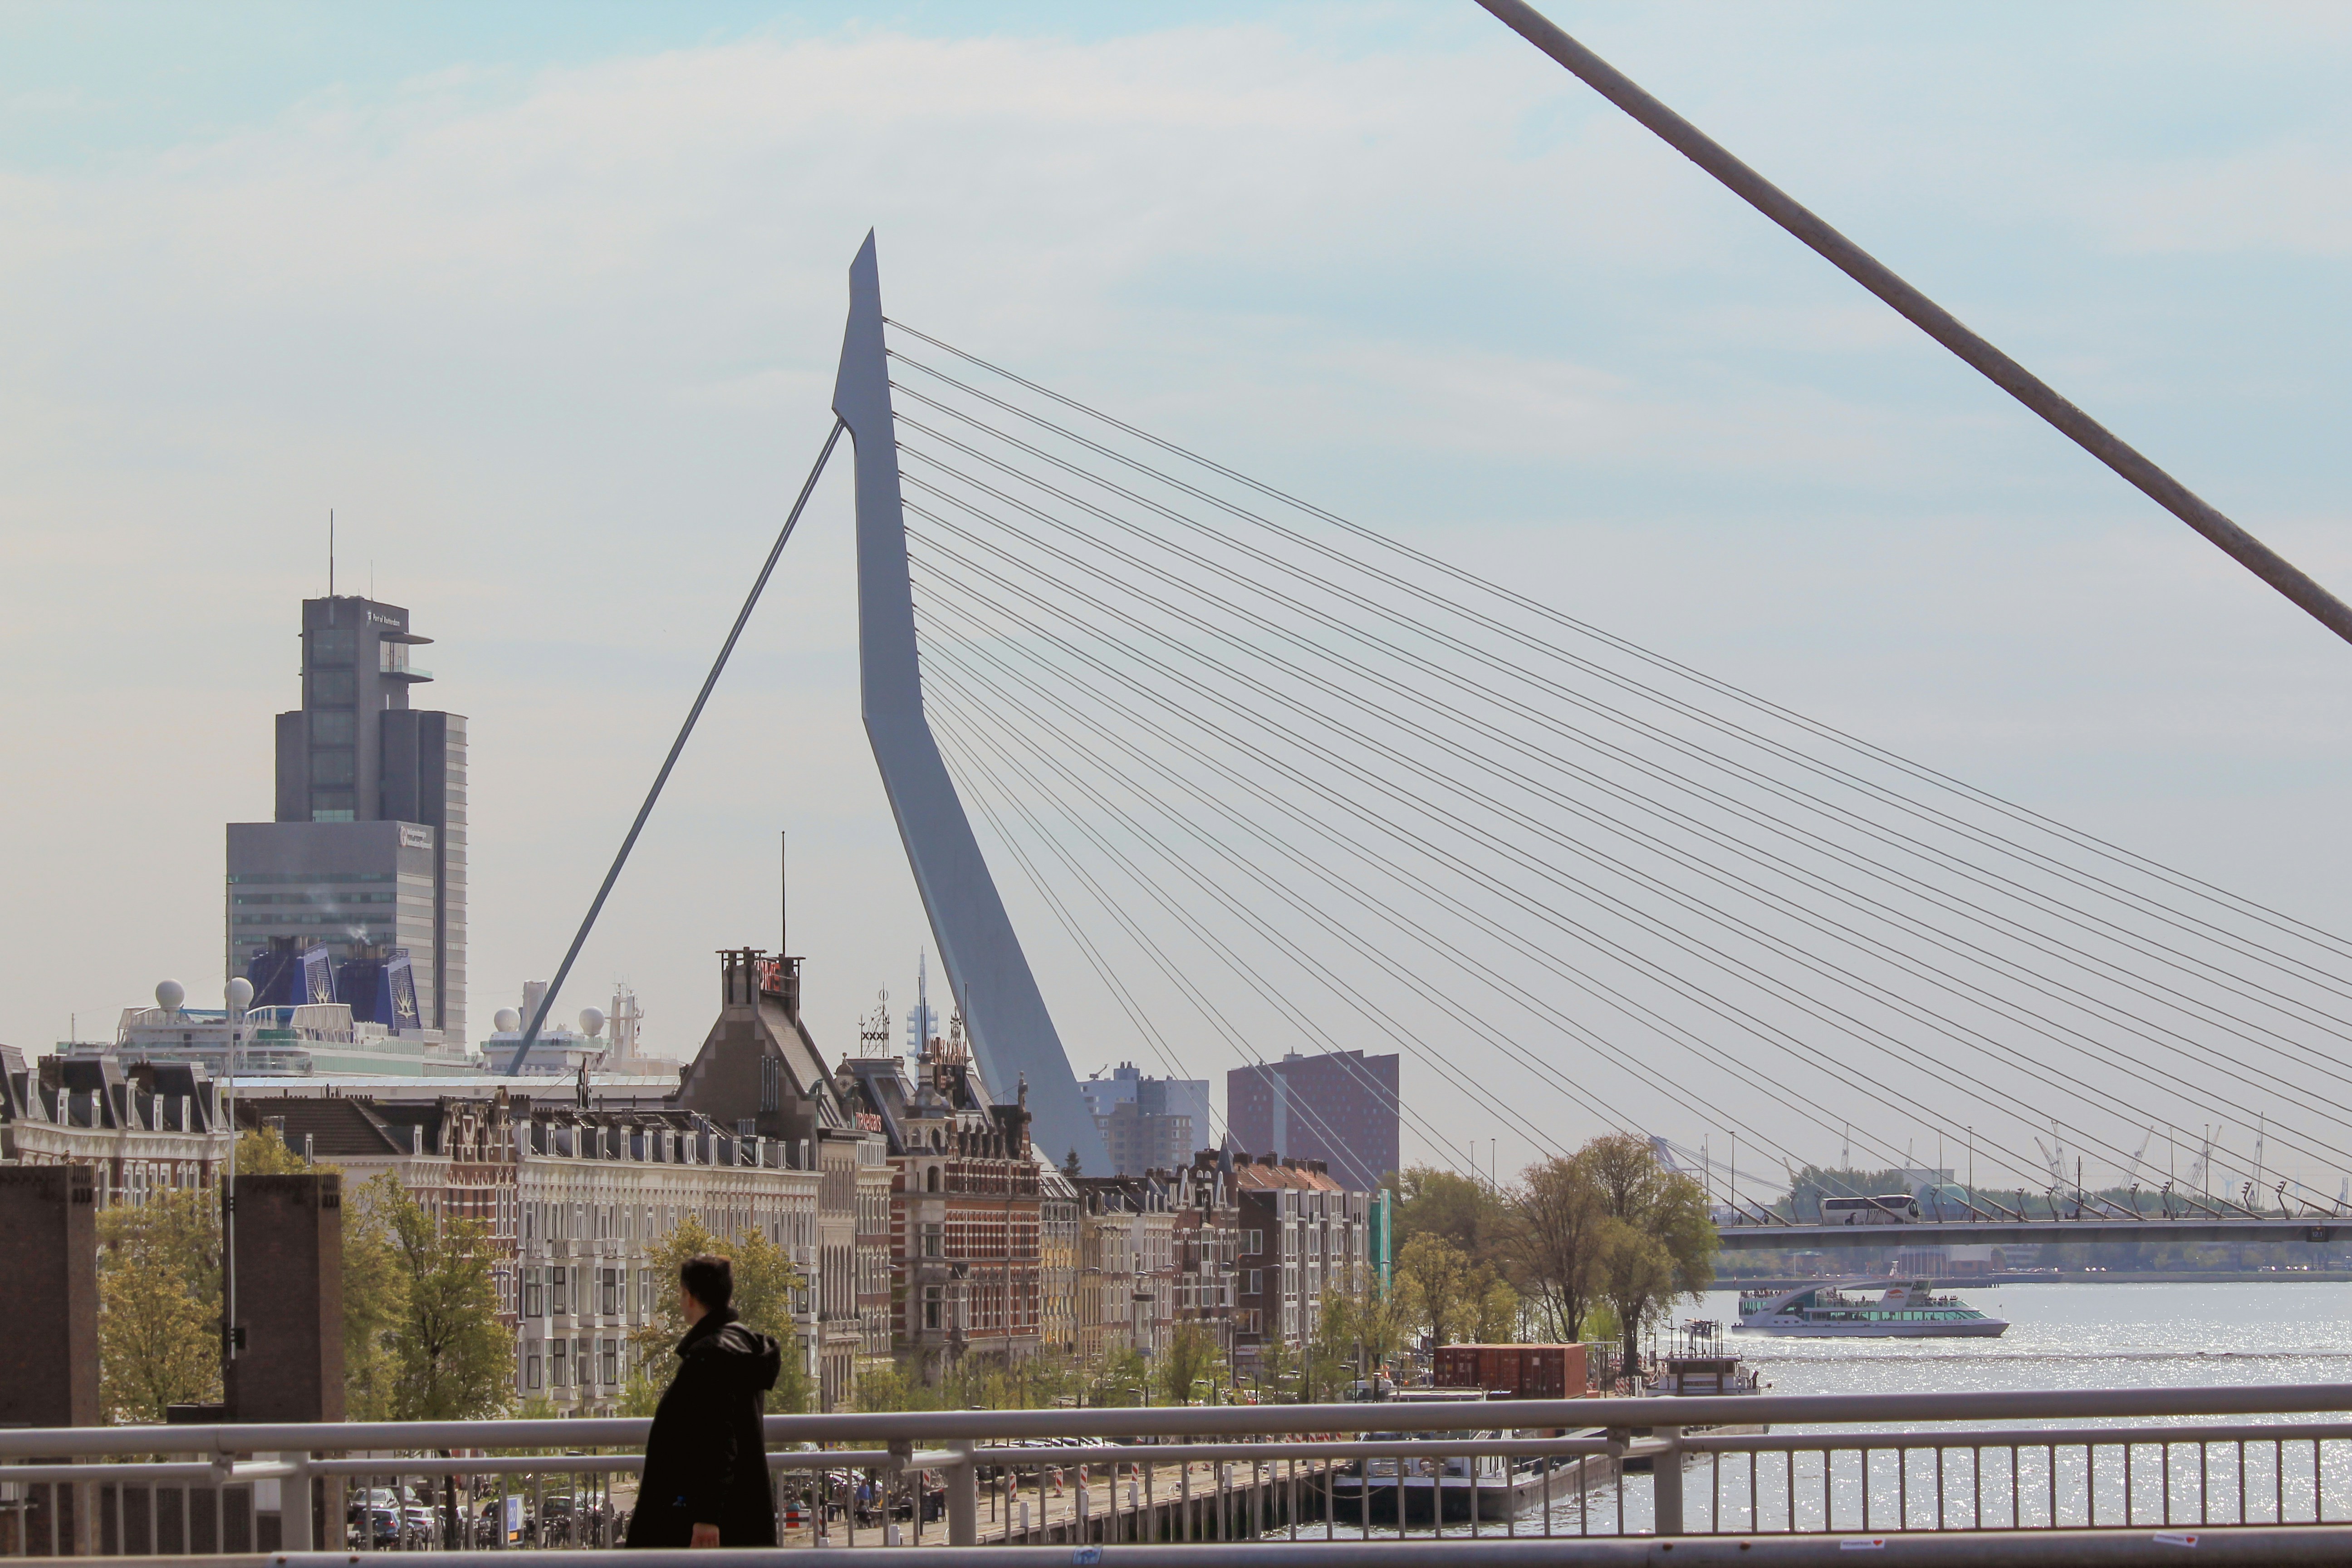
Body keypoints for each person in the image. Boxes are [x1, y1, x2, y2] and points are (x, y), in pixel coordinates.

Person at [625, 1254, 782, 1548]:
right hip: (744, 1512)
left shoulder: (708, 1357)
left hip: (702, 1518)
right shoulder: (744, 1344)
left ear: (689, 1296)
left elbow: (718, 1440)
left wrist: (707, 1516)